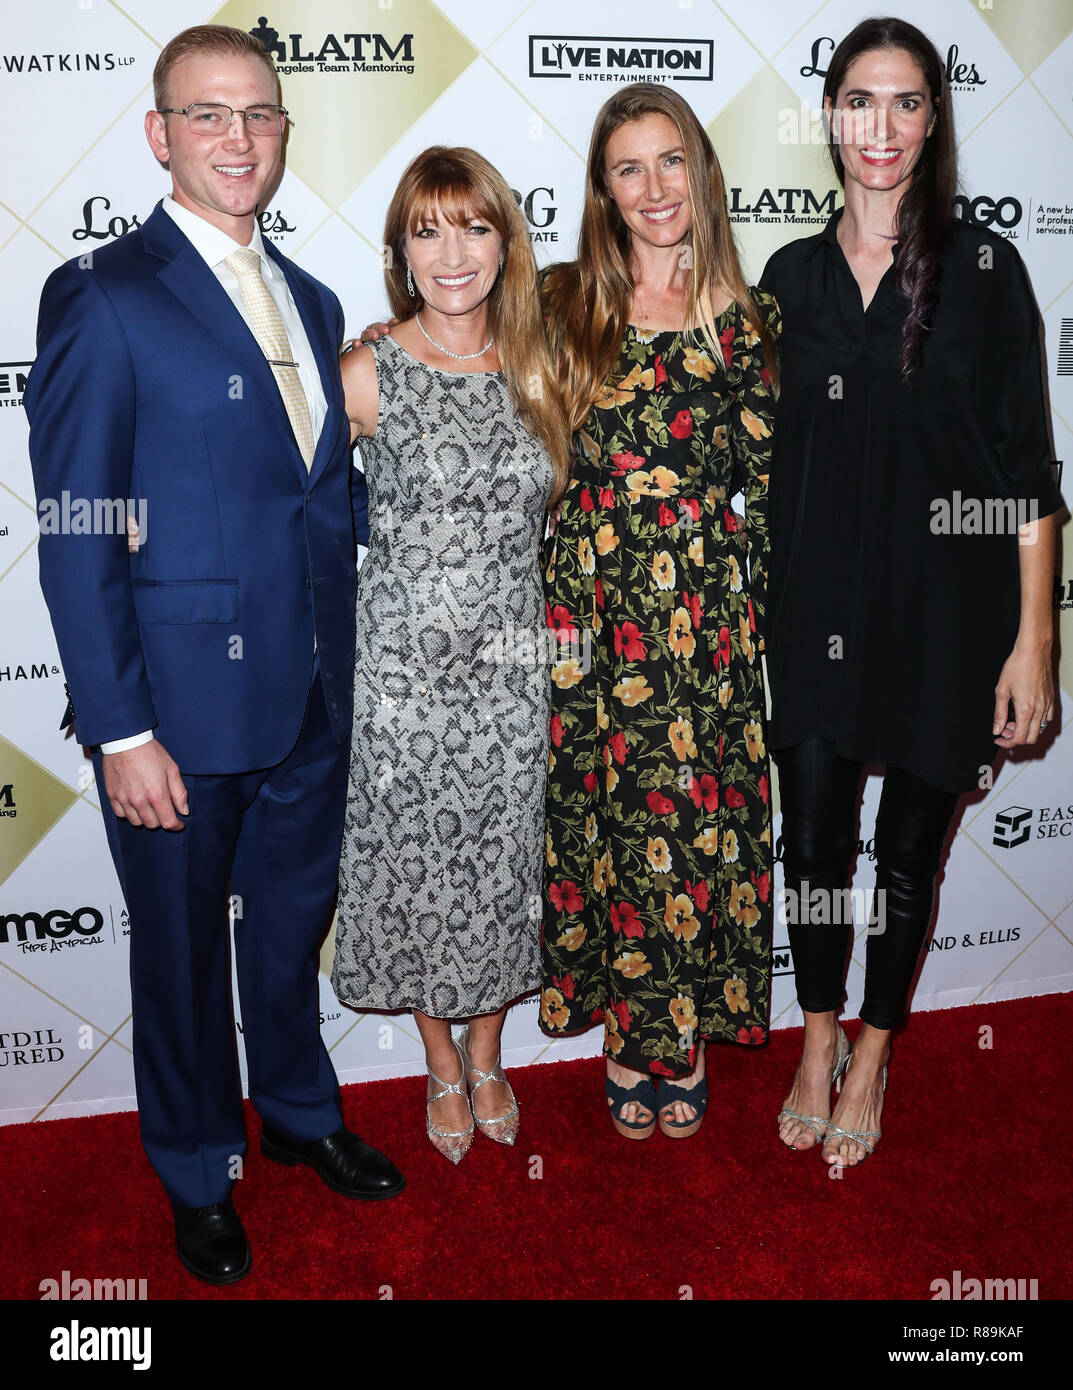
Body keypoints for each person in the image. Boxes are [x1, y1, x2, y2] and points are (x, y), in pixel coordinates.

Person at [24, 24, 403, 1284]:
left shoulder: (314, 299)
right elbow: (78, 526)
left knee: (287, 930)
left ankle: (294, 1113)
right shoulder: (104, 295)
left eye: (259, 114)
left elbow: (317, 499)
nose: (238, 138)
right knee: (181, 957)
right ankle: (197, 1168)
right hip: (177, 715)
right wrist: (119, 727)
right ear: (159, 133)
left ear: (283, 130)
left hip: (312, 691)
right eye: (207, 114)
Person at [760, 17, 1063, 1166]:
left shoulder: (985, 270)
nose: (878, 126)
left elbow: (1027, 475)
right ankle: (815, 1036)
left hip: (945, 618)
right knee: (813, 848)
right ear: (828, 114)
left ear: (931, 120)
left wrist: (1033, 642)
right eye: (857, 99)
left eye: (903, 102)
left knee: (901, 860)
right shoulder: (788, 279)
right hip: (813, 614)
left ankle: (873, 1051)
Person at [537, 84, 779, 1139]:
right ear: (602, 189)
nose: (652, 187)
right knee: (610, 817)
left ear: (701, 171)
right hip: (591, 607)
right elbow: (459, 350)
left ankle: (678, 1032)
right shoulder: (558, 303)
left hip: (703, 609)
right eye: (627, 168)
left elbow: (769, 486)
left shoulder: (747, 320)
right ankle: (625, 1032)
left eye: (669, 160)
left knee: (688, 817)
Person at [331, 147, 570, 1164]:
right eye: (425, 231)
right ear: (400, 252)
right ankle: (439, 1062)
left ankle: (489, 1054)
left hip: (511, 672)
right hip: (402, 678)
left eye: (472, 226)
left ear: (504, 242)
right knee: (417, 868)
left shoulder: (541, 367)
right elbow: (283, 502)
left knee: (500, 866)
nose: (451, 252)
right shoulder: (366, 371)